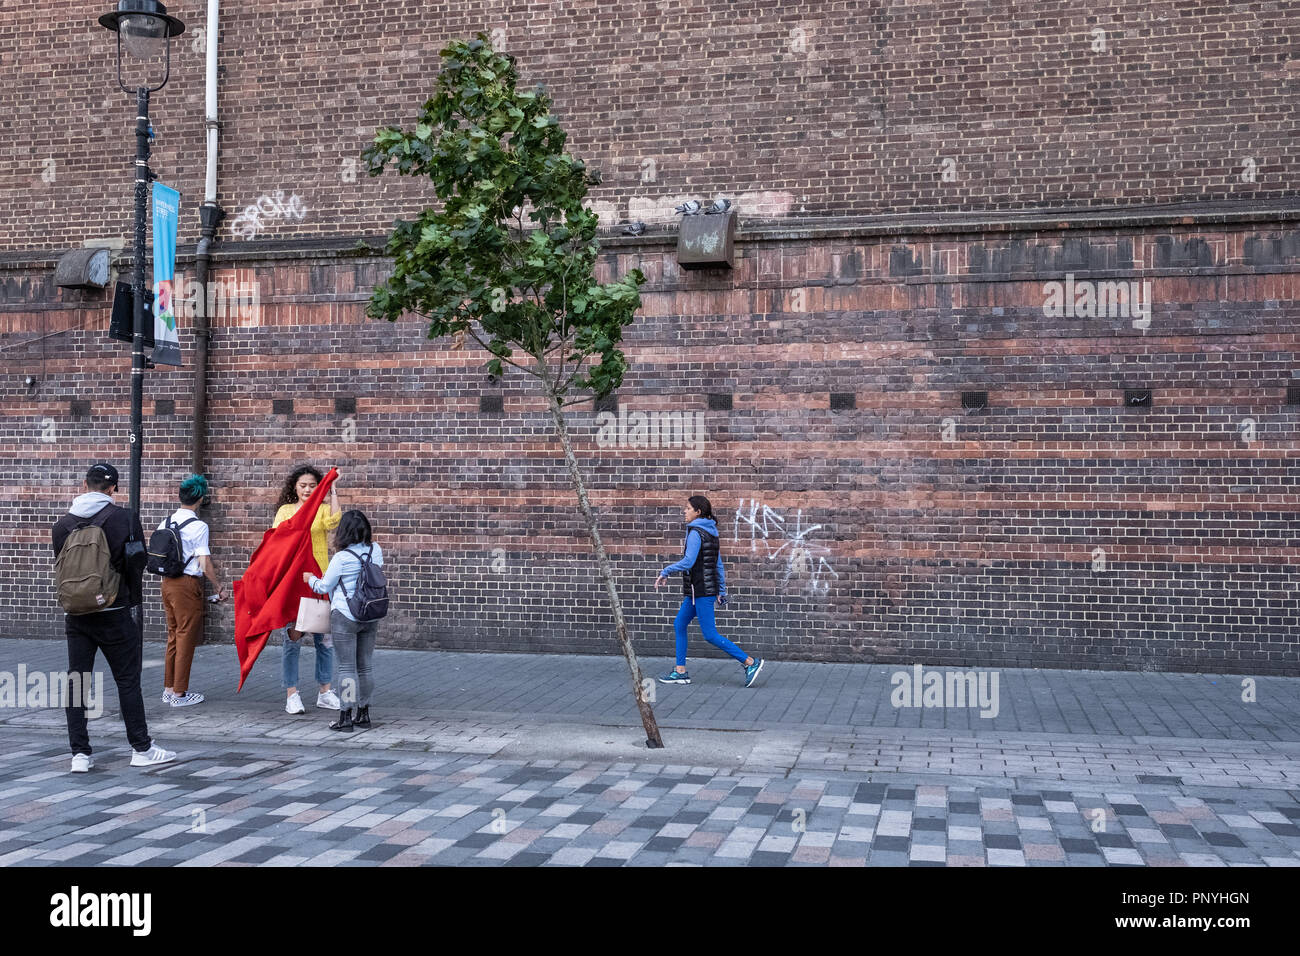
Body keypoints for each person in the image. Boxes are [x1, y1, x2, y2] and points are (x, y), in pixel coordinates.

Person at [52, 462, 177, 771]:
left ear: (84, 484)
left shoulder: (62, 525)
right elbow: (136, 562)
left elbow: (61, 565)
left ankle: (80, 754)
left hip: (77, 614)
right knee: (127, 681)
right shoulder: (124, 518)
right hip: (115, 611)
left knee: (77, 680)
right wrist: (132, 600)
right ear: (113, 488)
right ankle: (141, 749)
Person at [655, 495, 765, 688]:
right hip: (697, 591)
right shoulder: (711, 531)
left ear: (698, 512)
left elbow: (688, 562)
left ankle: (750, 662)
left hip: (702, 591)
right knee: (680, 624)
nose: (684, 511)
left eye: (688, 508)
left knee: (710, 635)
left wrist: (666, 571)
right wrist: (721, 590)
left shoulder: (696, 532)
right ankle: (680, 671)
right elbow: (718, 564)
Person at [304, 510, 383, 732]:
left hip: (345, 616)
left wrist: (311, 579)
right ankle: (364, 714)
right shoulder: (375, 550)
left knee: (347, 667)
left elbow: (324, 587)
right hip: (370, 613)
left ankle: (346, 716)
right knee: (365, 666)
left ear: (344, 532)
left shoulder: (341, 557)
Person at [273, 466, 342, 714]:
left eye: (313, 485)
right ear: (295, 486)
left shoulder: (321, 510)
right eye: (303, 485)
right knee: (292, 639)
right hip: (293, 582)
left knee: (324, 640)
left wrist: (331, 490)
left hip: (318, 581)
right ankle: (292, 694)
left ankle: (325, 691)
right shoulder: (285, 511)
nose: (307, 489)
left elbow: (335, 521)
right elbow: (277, 540)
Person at [159, 474, 225, 707]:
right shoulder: (199, 526)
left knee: (174, 635)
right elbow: (204, 561)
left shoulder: (166, 522)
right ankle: (179, 694)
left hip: (167, 583)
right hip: (187, 584)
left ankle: (169, 688)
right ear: (200, 499)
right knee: (187, 637)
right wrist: (217, 586)